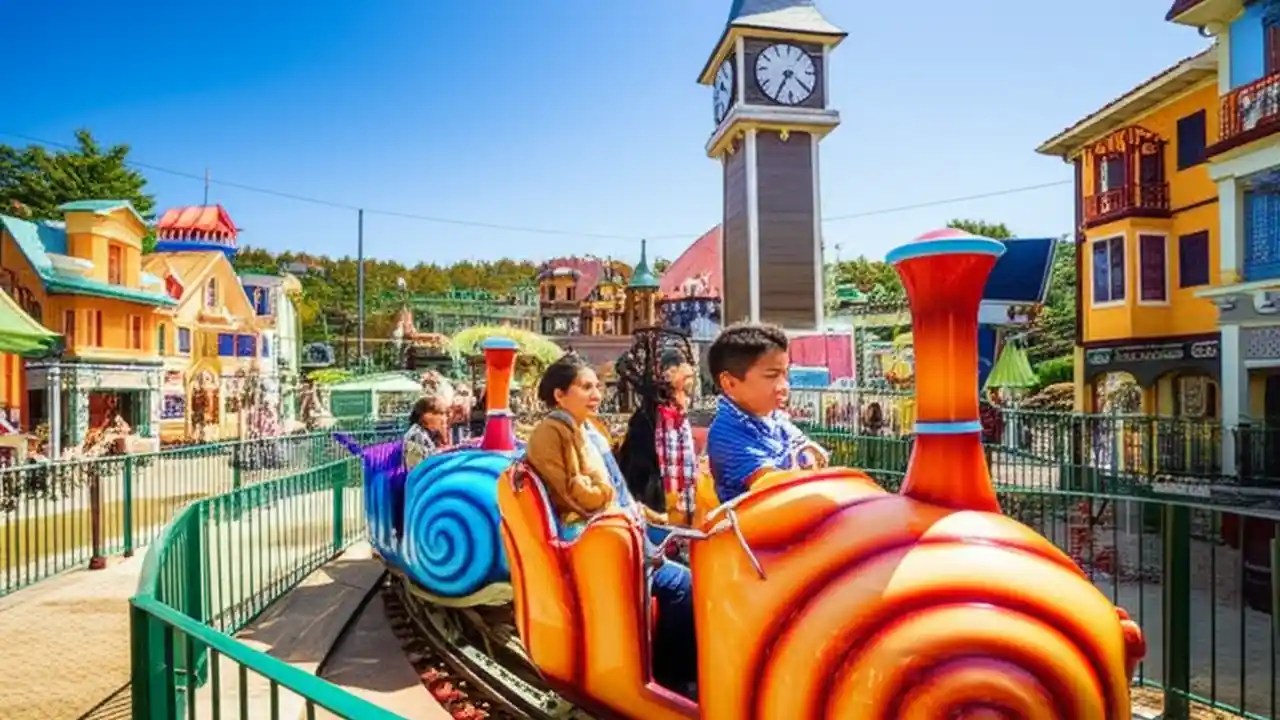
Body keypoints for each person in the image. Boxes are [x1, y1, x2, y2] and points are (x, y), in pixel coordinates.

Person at [525, 354, 697, 695]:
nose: (597, 394)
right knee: (683, 586)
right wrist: (611, 498)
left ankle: (673, 671)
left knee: (692, 566)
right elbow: (574, 493)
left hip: (618, 524)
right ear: (559, 395)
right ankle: (669, 678)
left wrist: (638, 510)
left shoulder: (586, 428)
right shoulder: (551, 433)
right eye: (586, 387)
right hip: (592, 535)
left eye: (597, 387)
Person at [705, 323, 827, 504]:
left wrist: (809, 454)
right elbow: (775, 487)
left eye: (785, 375)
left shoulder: (774, 418)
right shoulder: (726, 433)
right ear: (729, 383)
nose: (784, 387)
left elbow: (812, 452)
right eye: (772, 376)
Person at [404, 394, 449, 471]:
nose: (443, 418)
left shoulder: (427, 434)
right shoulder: (416, 435)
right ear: (423, 416)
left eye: (444, 414)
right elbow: (415, 469)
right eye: (438, 413)